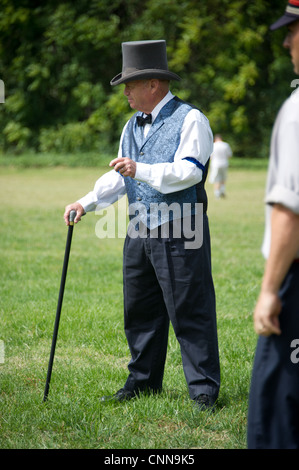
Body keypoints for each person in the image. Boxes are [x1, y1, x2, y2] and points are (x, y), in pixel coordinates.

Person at [64, 40, 220, 410]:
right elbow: (120, 178)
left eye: (130, 84)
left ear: (153, 84)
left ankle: (203, 391)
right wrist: (85, 203)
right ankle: (143, 382)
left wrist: (142, 169)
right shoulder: (131, 127)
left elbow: (189, 172)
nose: (126, 93)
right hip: (138, 229)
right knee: (139, 310)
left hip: (183, 229)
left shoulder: (192, 119)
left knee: (189, 310)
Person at [247, 1, 299, 449]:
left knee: (277, 410)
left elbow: (289, 210)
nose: (286, 41)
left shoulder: (298, 110)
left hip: (296, 288)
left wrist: (269, 291)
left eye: (293, 30)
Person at [209, 134, 232, 198]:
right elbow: (229, 155)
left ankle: (217, 193)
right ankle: (222, 191)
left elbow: (210, 156)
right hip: (224, 163)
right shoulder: (225, 145)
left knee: (216, 179)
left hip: (215, 164)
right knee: (223, 178)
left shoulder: (213, 145)